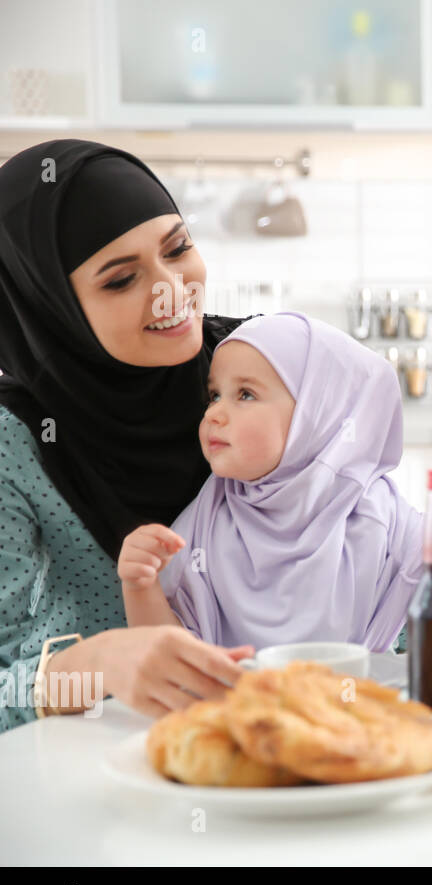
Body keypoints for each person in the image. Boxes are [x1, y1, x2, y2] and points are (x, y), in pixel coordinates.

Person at [0, 140, 249, 726]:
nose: (169, 288)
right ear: (49, 306)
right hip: (94, 783)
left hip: (291, 747)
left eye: (178, 248)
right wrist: (99, 664)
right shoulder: (14, 444)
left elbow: (373, 568)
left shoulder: (261, 370)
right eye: (119, 280)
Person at [117, 311, 432, 650]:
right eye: (214, 394)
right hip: (240, 722)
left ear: (316, 417)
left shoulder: (375, 512)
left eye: (245, 394)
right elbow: (166, 650)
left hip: (355, 718)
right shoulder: (208, 516)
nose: (215, 412)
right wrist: (141, 586)